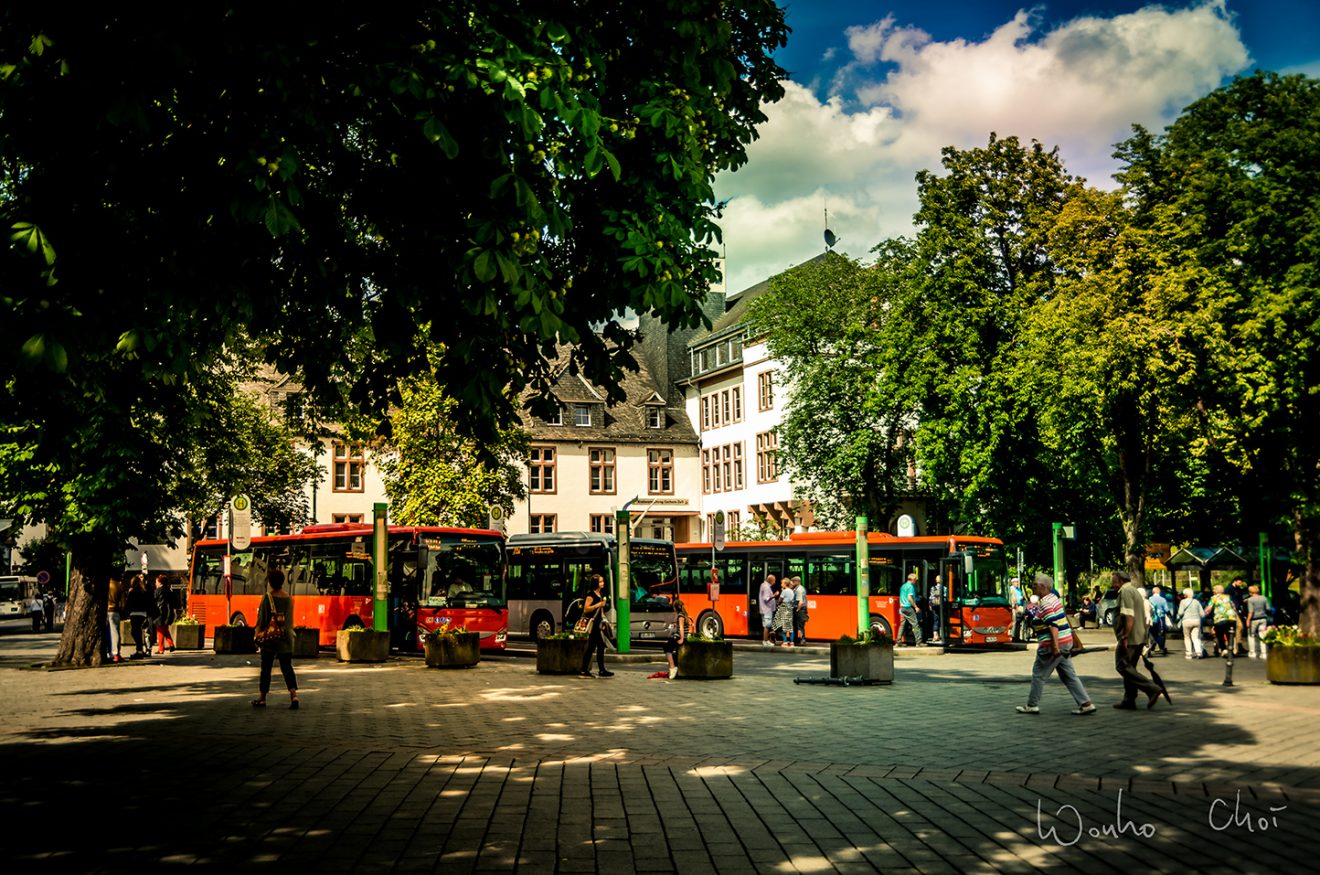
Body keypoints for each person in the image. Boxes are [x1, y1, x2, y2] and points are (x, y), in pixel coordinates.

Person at [1016, 573, 1095, 715]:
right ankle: (1086, 703)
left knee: (1039, 674)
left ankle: (1032, 705)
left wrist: (1054, 647)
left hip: (1051, 645)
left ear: (1042, 587)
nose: (1032, 587)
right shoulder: (1054, 599)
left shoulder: (1045, 603)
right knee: (1068, 675)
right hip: (1066, 642)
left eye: (1034, 585)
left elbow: (1053, 625)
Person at [1111, 571, 1166, 710]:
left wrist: (1125, 636)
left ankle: (1152, 689)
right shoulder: (1133, 590)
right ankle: (1129, 699)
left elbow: (1129, 616)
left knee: (1122, 666)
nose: (1113, 585)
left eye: (1114, 582)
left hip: (1131, 638)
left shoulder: (1126, 591)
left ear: (1121, 581)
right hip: (1139, 635)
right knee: (1130, 667)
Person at [252, 569, 300, 708]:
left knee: (266, 668)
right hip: (286, 637)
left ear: (270, 582)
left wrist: (257, 634)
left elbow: (262, 619)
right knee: (287, 667)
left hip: (270, 638)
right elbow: (289, 620)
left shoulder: (268, 597)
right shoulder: (288, 598)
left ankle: (262, 698)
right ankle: (294, 696)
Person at [578, 574, 614, 678]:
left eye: (602, 581)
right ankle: (599, 670)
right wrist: (598, 605)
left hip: (598, 623)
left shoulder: (600, 594)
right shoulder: (591, 595)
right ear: (596, 584)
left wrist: (605, 621)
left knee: (592, 647)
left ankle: (586, 669)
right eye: (600, 582)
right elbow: (586, 609)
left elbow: (601, 611)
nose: (603, 583)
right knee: (599, 646)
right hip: (592, 624)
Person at [1206, 583, 1241, 658]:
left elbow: (1208, 609)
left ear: (1215, 591)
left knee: (1220, 635)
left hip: (1220, 619)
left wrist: (1204, 615)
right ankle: (1231, 650)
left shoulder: (1214, 598)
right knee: (1230, 635)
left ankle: (1224, 650)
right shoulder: (1229, 597)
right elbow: (1234, 607)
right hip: (1231, 618)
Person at [662, 596, 691, 679]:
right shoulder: (682, 615)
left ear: (675, 608)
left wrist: (681, 639)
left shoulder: (680, 616)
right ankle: (672, 667)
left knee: (668, 648)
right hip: (679, 636)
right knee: (668, 646)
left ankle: (672, 667)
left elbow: (681, 628)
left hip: (680, 637)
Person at [125, 575, 153, 658]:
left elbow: (129, 603)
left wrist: (127, 611)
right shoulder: (143, 591)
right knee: (138, 632)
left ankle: (139, 651)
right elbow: (147, 602)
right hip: (142, 614)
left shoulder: (132, 591)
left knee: (135, 632)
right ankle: (140, 649)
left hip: (134, 613)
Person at [1175, 587, 1205, 659]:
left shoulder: (1182, 602)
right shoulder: (1196, 602)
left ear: (1185, 595)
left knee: (1187, 637)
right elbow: (1202, 614)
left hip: (1186, 621)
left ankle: (1189, 653)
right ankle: (1198, 652)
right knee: (1195, 637)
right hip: (1196, 621)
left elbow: (1180, 612)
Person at [1245, 584, 1272, 659]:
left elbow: (1251, 611)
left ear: (1250, 592)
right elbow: (1268, 608)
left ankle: (1252, 652)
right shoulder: (1264, 598)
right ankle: (1264, 653)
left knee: (1251, 635)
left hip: (1254, 619)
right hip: (1263, 619)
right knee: (1262, 635)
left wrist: (1248, 620)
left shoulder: (1250, 600)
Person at [898, 571, 923, 647]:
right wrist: (916, 607)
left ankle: (898, 641)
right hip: (908, 607)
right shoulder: (910, 587)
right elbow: (910, 598)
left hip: (902, 608)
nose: (916, 581)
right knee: (915, 624)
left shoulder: (903, 586)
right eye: (915, 580)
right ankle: (919, 642)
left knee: (902, 625)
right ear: (912, 579)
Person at [153, 575, 177, 653]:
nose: (155, 583)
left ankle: (161, 648)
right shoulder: (169, 591)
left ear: (160, 582)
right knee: (165, 629)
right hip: (168, 613)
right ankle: (171, 644)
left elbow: (154, 600)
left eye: (156, 582)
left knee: (159, 630)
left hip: (159, 612)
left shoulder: (158, 590)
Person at [107, 575, 126, 663]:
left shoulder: (104, 584)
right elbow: (123, 602)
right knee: (115, 632)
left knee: (107, 633)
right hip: (115, 610)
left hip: (105, 611)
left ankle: (109, 652)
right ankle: (116, 653)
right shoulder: (118, 585)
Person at [772, 578, 796, 647]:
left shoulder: (784, 591)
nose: (781, 584)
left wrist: (778, 604)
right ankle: (791, 642)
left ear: (785, 584)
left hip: (784, 608)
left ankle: (785, 642)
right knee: (790, 626)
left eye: (782, 583)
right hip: (790, 608)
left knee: (784, 626)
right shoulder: (791, 591)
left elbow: (780, 599)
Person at [1147, 585, 1170, 656]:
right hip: (1161, 618)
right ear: (1159, 592)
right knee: (1161, 633)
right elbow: (1166, 610)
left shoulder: (1149, 599)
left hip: (1153, 618)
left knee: (1152, 632)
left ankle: (1153, 643)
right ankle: (1161, 647)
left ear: (1153, 592)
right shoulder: (1163, 599)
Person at [758, 574, 777, 647]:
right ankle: (765, 641)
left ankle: (765, 641)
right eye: (774, 580)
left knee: (765, 625)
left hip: (764, 609)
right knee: (767, 626)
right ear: (771, 580)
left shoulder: (763, 585)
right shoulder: (766, 587)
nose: (774, 582)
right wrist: (774, 595)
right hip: (767, 609)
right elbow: (766, 598)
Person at [927, 578, 945, 644]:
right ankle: (942, 635)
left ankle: (935, 636)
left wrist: (930, 605)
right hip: (942, 606)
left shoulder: (933, 588)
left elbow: (931, 598)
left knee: (935, 620)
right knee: (942, 620)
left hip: (935, 605)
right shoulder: (944, 588)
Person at [792, 576, 808, 645]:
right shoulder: (801, 588)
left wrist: (797, 609)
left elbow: (800, 602)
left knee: (799, 626)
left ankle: (802, 640)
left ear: (797, 582)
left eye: (793, 581)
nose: (792, 583)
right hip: (802, 609)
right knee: (799, 626)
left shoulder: (798, 590)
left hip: (799, 609)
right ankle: (799, 640)